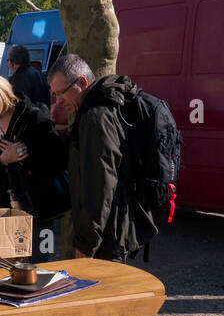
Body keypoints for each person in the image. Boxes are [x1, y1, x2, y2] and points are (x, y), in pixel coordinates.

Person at [48, 53, 156, 261]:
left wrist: (87, 245)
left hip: (107, 238)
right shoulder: (99, 109)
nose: (58, 101)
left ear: (82, 82)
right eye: (54, 95)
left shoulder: (95, 119)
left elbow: (100, 187)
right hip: (112, 229)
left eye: (61, 93)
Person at [0, 68, 69, 261]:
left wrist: (23, 156)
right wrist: (2, 160)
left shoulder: (35, 118)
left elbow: (58, 161)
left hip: (40, 212)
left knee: (41, 267)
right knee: (2, 272)